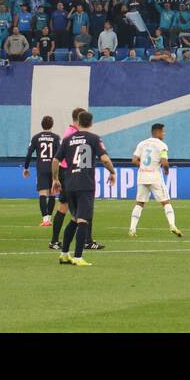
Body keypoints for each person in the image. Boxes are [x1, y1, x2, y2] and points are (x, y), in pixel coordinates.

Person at [53, 110, 116, 266]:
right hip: (85, 183)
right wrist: (112, 172)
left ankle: (64, 254)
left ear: (78, 122)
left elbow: (55, 160)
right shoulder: (94, 138)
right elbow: (105, 159)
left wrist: (55, 179)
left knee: (74, 219)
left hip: (70, 183)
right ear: (91, 123)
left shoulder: (67, 140)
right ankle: (78, 257)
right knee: (83, 220)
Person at [129, 123, 182, 238]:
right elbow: (164, 161)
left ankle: (132, 229)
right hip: (155, 177)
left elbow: (134, 160)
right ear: (157, 132)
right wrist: (166, 170)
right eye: (163, 131)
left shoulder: (142, 143)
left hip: (142, 176)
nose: (164, 134)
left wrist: (143, 167)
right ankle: (172, 225)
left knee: (139, 203)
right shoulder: (162, 145)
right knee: (166, 202)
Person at [23, 115, 60, 227]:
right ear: (52, 125)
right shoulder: (56, 138)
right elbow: (60, 154)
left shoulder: (36, 138)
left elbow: (29, 154)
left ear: (42, 125)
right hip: (53, 168)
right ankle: (49, 218)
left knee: (43, 194)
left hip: (42, 168)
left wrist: (26, 168)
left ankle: (45, 220)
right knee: (53, 193)